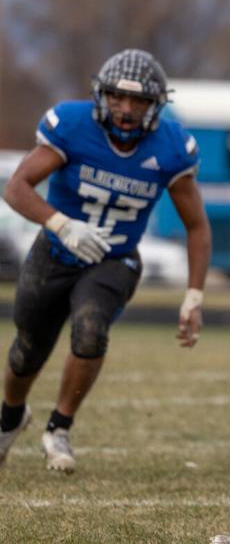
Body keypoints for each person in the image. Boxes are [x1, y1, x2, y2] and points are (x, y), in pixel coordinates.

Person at [0, 49, 211, 474]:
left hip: (113, 258)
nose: (126, 109)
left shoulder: (171, 147)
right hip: (55, 250)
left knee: (90, 330)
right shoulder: (73, 126)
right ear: (101, 94)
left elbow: (197, 226)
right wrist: (61, 224)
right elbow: (17, 187)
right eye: (117, 96)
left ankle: (59, 427)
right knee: (28, 348)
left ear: (156, 105)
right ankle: (11, 416)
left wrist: (193, 296)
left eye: (138, 100)